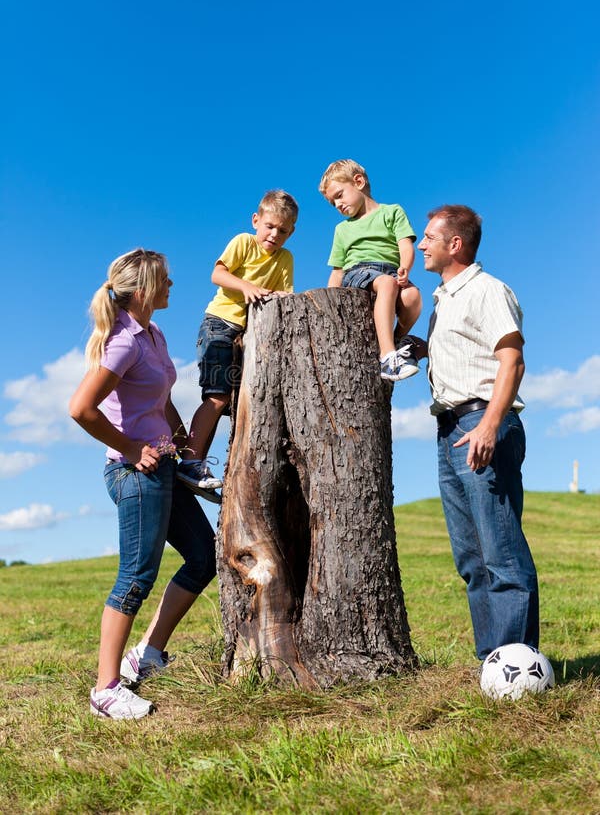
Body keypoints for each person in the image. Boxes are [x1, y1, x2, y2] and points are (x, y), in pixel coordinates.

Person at [69, 248, 216, 720]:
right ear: (144, 288)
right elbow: (81, 408)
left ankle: (147, 653)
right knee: (136, 577)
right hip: (135, 473)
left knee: (204, 556)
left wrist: (187, 450)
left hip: (165, 466)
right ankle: (106, 689)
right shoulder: (123, 342)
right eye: (165, 280)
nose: (172, 285)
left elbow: (161, 402)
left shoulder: (152, 334)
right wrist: (132, 449)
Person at [417, 205, 539, 660]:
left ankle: (518, 662)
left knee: (501, 553)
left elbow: (512, 360)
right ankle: (492, 662)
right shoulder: (442, 301)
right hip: (448, 429)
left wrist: (489, 424)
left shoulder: (487, 290)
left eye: (429, 237)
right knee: (471, 560)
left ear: (455, 244)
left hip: (481, 421)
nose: (421, 244)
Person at [177, 189, 298, 495]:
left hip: (249, 336)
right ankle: (190, 462)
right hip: (219, 325)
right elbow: (218, 274)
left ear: (291, 232)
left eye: (282, 230)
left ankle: (198, 464)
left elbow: (284, 294)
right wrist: (246, 286)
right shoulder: (243, 242)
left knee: (232, 403)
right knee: (215, 397)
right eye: (269, 226)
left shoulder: (285, 258)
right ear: (256, 220)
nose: (274, 234)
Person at [319, 158, 422, 381]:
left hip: (392, 272)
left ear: (358, 182)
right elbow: (338, 270)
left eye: (339, 195)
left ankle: (396, 339)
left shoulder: (392, 212)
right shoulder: (342, 229)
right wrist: (330, 299)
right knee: (386, 283)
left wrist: (405, 267)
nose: (337, 205)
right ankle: (387, 357)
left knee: (413, 296)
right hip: (358, 272)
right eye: (332, 203)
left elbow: (405, 245)